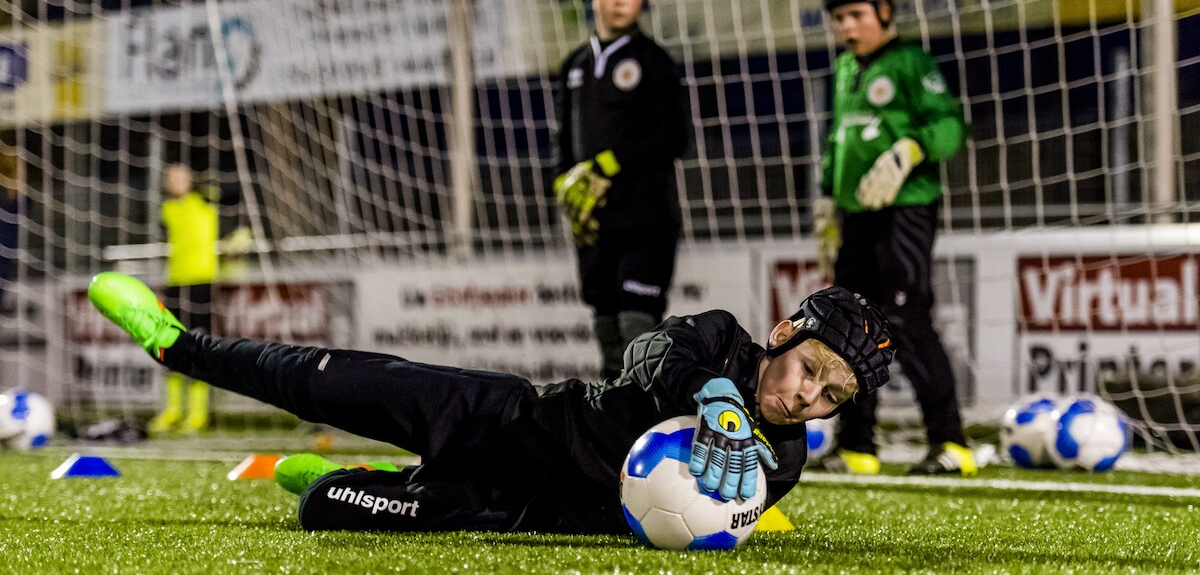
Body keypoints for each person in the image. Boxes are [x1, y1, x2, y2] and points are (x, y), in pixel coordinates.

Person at [87, 271, 894, 534]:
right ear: (786, 331)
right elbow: (650, 354)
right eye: (811, 368)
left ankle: (327, 481)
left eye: (832, 396)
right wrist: (710, 395)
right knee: (326, 378)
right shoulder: (718, 340)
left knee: (333, 507)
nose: (807, 397)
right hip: (504, 417)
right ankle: (175, 343)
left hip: (505, 505)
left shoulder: (778, 462)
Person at [813, 0, 973, 476]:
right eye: (839, 18)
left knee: (906, 319)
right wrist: (826, 200)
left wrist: (911, 148)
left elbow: (950, 124)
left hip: (906, 211)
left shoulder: (910, 62)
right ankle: (858, 447)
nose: (847, 28)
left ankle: (952, 444)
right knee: (848, 326)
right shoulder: (843, 69)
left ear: (884, 11)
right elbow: (837, 140)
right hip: (855, 217)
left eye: (857, 15)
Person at [553, 0, 689, 381]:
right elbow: (565, 144)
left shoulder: (654, 62)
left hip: (645, 219)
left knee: (637, 325)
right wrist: (566, 191)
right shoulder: (575, 64)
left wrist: (604, 166)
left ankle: (646, 422)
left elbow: (674, 138)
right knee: (605, 319)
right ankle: (613, 426)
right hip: (596, 222)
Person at [151, 164, 219, 434]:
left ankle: (199, 412)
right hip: (176, 283)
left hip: (202, 282)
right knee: (171, 343)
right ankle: (173, 410)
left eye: (181, 176)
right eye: (172, 178)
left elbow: (222, 196)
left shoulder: (205, 203)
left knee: (200, 344)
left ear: (191, 179)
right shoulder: (168, 210)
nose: (177, 181)